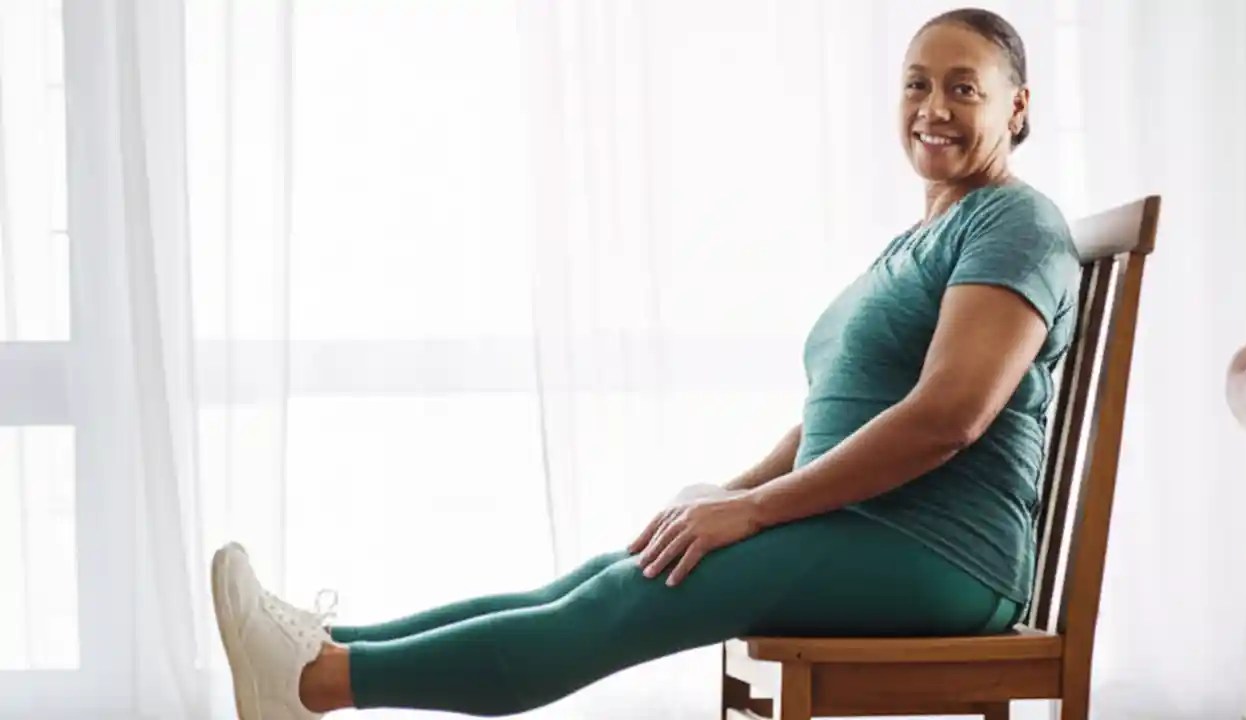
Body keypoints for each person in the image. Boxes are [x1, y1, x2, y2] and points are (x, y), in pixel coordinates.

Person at [210, 7, 1082, 718]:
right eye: (916, 84)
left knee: (620, 603)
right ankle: (328, 652)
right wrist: (733, 495)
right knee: (609, 573)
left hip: (939, 551)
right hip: (870, 527)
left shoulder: (1016, 225)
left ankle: (315, 687)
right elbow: (833, 413)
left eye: (963, 88)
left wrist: (755, 513)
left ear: (1015, 107)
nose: (933, 105)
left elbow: (948, 417)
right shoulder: (920, 239)